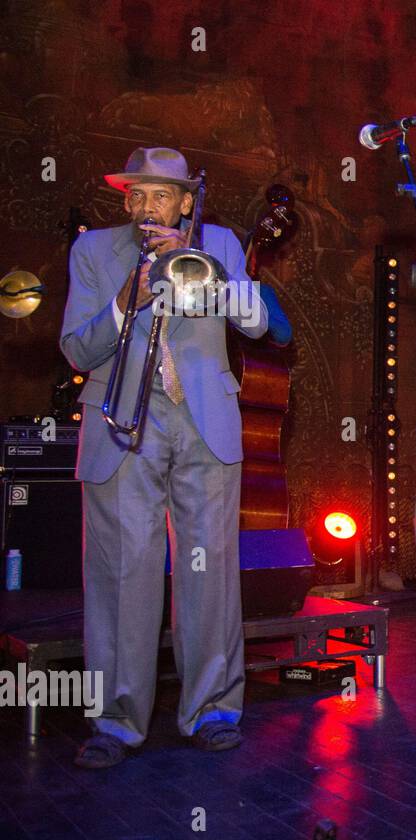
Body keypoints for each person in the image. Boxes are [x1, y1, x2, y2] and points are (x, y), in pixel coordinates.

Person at [59, 147, 268, 768]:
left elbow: (256, 323)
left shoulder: (222, 242)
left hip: (203, 422)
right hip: (123, 421)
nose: (149, 207)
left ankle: (212, 711)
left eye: (163, 195)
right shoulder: (94, 251)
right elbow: (76, 349)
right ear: (127, 202)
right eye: (138, 195)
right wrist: (127, 299)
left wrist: (213, 276)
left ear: (185, 201)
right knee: (125, 570)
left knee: (209, 574)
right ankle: (118, 722)